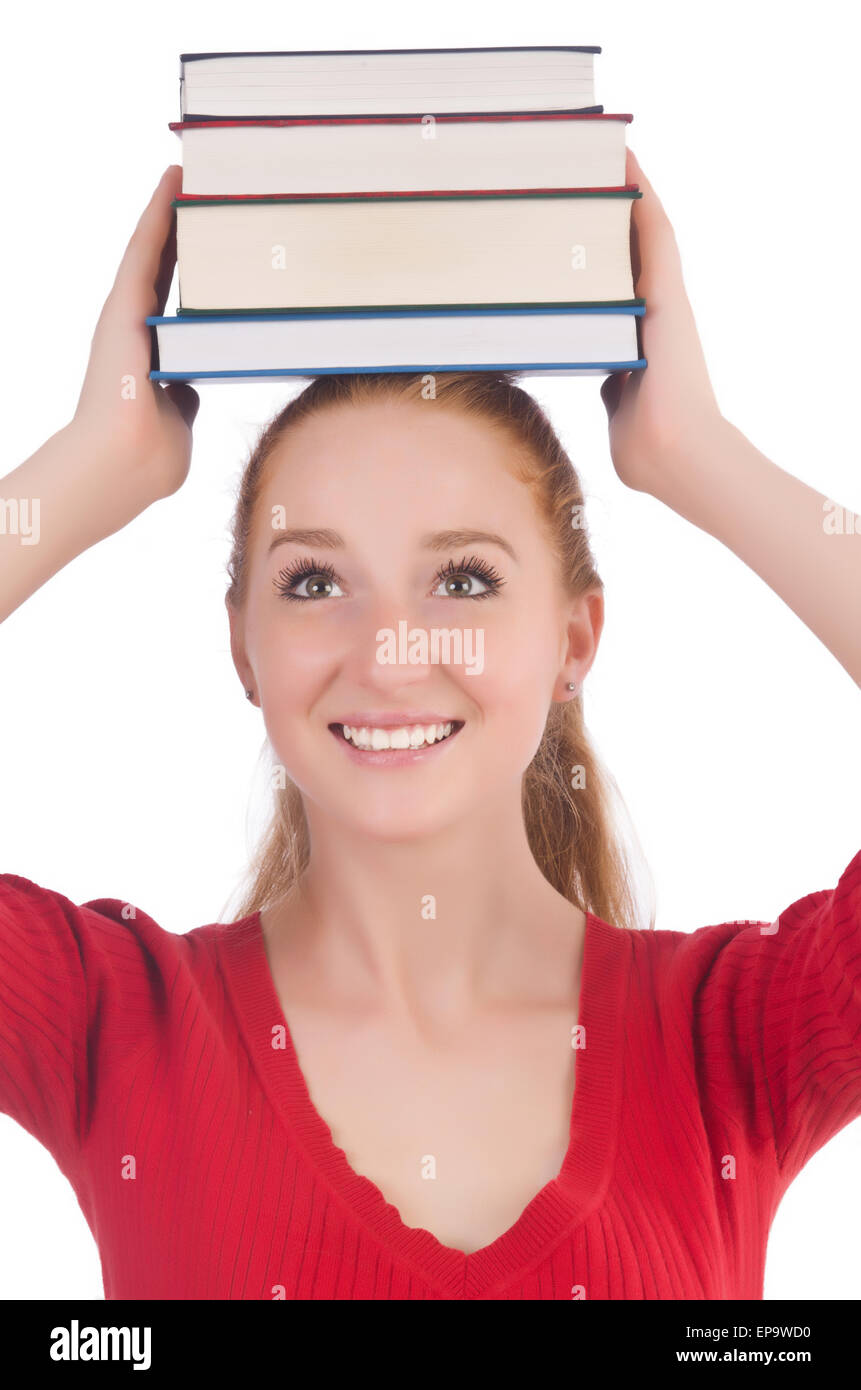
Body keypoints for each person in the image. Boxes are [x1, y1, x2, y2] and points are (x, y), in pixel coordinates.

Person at [0, 154, 858, 1301]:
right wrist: (87, 467)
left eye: (461, 579)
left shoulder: (729, 1044)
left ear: (573, 639)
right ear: (242, 645)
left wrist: (698, 452)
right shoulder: (117, 1028)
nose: (391, 648)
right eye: (313, 583)